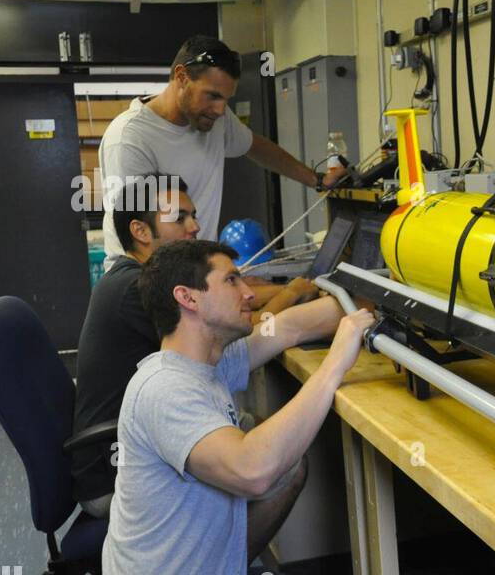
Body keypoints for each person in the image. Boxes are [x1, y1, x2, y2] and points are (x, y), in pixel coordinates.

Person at [95, 239, 375, 575]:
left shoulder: (213, 363)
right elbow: (252, 470)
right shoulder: (163, 389)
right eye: (231, 281)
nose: (250, 293)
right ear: (188, 298)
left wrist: (377, 299)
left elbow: (291, 325)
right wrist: (337, 362)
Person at [72, 180, 318, 517]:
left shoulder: (130, 278)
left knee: (269, 433)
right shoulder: (134, 290)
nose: (195, 226)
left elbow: (230, 305)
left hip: (138, 439)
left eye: (194, 216)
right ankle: (223, 568)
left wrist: (278, 292)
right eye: (181, 218)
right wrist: (289, 294)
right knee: (282, 462)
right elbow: (239, 324)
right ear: (141, 231)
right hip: (113, 469)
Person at [98, 35, 346, 270]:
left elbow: (256, 146)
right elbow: (137, 235)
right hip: (146, 278)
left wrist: (317, 180)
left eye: (226, 99)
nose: (219, 109)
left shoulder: (216, 119)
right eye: (213, 96)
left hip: (192, 270)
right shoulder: (129, 139)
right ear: (182, 77)